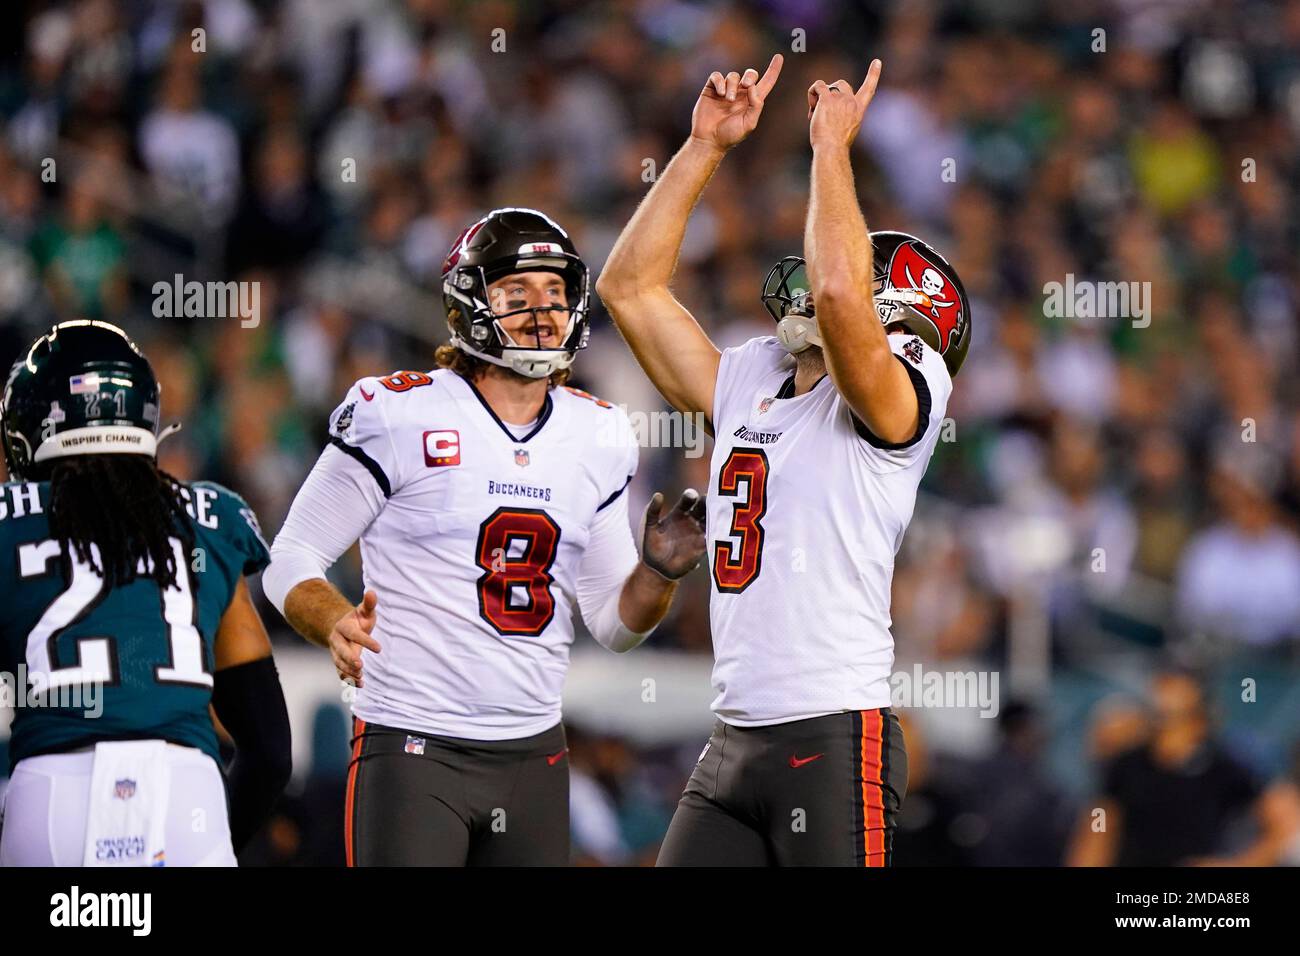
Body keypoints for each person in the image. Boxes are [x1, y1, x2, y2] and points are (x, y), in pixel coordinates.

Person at [598, 57, 970, 866]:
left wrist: (830, 147)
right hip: (733, 737)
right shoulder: (753, 375)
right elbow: (628, 289)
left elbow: (841, 297)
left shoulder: (909, 385)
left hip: (834, 736)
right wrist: (704, 147)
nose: (808, 284)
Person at [262, 207, 706, 866]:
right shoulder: (399, 412)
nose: (542, 309)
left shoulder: (599, 432)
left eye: (556, 292)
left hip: (533, 753)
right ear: (470, 301)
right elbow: (289, 558)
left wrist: (658, 576)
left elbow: (615, 625)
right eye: (517, 292)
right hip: (414, 745)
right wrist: (332, 619)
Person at [0, 320, 290, 866]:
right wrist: (210, 841)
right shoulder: (210, 519)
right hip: (184, 795)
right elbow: (270, 752)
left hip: (49, 799)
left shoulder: (7, 525)